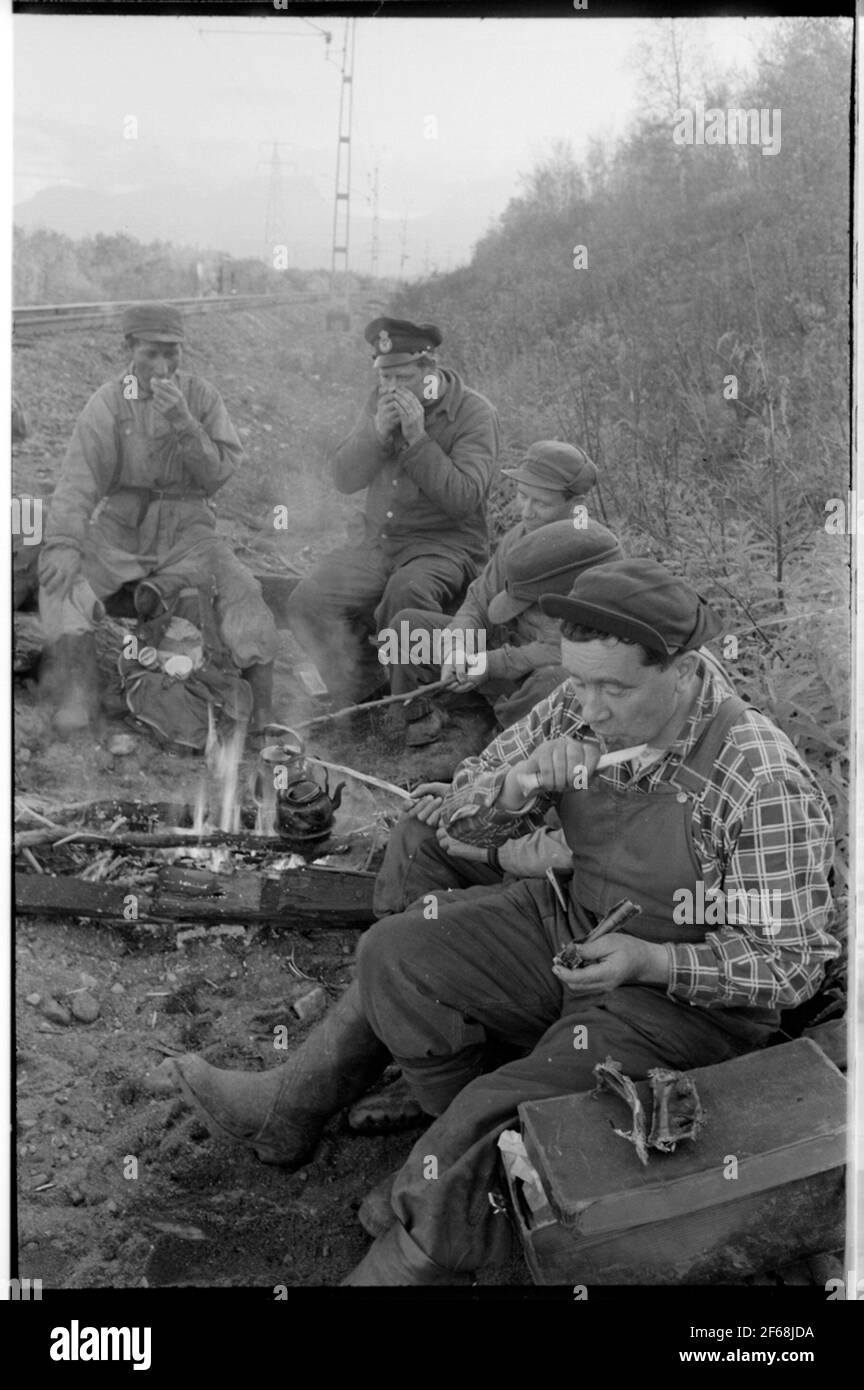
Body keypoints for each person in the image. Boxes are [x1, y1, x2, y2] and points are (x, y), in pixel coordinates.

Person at [163, 559, 839, 1285]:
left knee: (492, 1112)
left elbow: (792, 963)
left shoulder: (757, 776)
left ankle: (434, 1216)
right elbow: (466, 811)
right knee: (396, 953)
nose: (592, 706)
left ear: (682, 672)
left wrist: (651, 962)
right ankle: (313, 1120)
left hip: (682, 1003)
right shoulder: (579, 705)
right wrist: (517, 787)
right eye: (579, 681)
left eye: (614, 688)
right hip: (572, 926)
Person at [37, 302, 278, 738]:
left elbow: (219, 475)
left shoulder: (201, 397)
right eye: (152, 353)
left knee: (244, 591)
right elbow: (78, 481)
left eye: (173, 353)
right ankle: (77, 696)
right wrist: (66, 543)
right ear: (131, 349)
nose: (163, 365)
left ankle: (263, 712)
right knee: (62, 585)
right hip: (121, 528)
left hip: (190, 531)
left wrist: (183, 422)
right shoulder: (110, 401)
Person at [285, 317, 500, 706]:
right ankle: (366, 686)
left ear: (429, 369)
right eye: (384, 378)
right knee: (308, 600)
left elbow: (463, 498)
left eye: (402, 377)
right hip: (378, 545)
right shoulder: (377, 402)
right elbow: (344, 479)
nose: (391, 389)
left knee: (406, 594)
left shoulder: (473, 413)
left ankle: (417, 708)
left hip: (445, 548)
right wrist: (376, 436)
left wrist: (418, 439)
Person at [383, 512, 622, 746]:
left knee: (554, 682)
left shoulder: (594, 583)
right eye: (524, 495)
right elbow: (478, 602)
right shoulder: (521, 543)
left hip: (532, 678)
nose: (528, 509)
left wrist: (491, 664)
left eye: (540, 501)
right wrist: (457, 647)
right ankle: (427, 717)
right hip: (503, 652)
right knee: (408, 626)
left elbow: (563, 653)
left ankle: (501, 746)